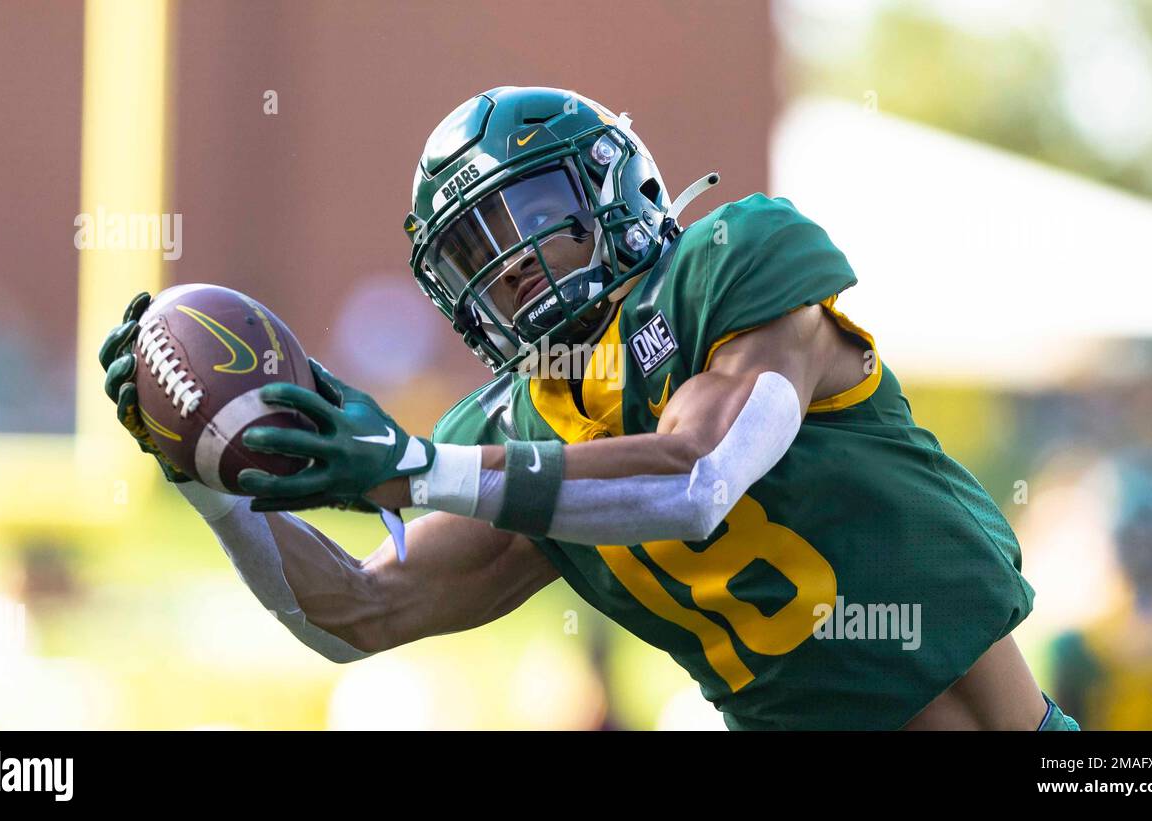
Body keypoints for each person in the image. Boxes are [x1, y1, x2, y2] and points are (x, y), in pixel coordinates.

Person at [100, 86, 1075, 730]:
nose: (511, 256)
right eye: (475, 242)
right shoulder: (516, 431)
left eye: (528, 216)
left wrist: (414, 466)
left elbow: (697, 473)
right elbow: (358, 608)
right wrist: (202, 474)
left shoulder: (730, 263)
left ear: (616, 190)